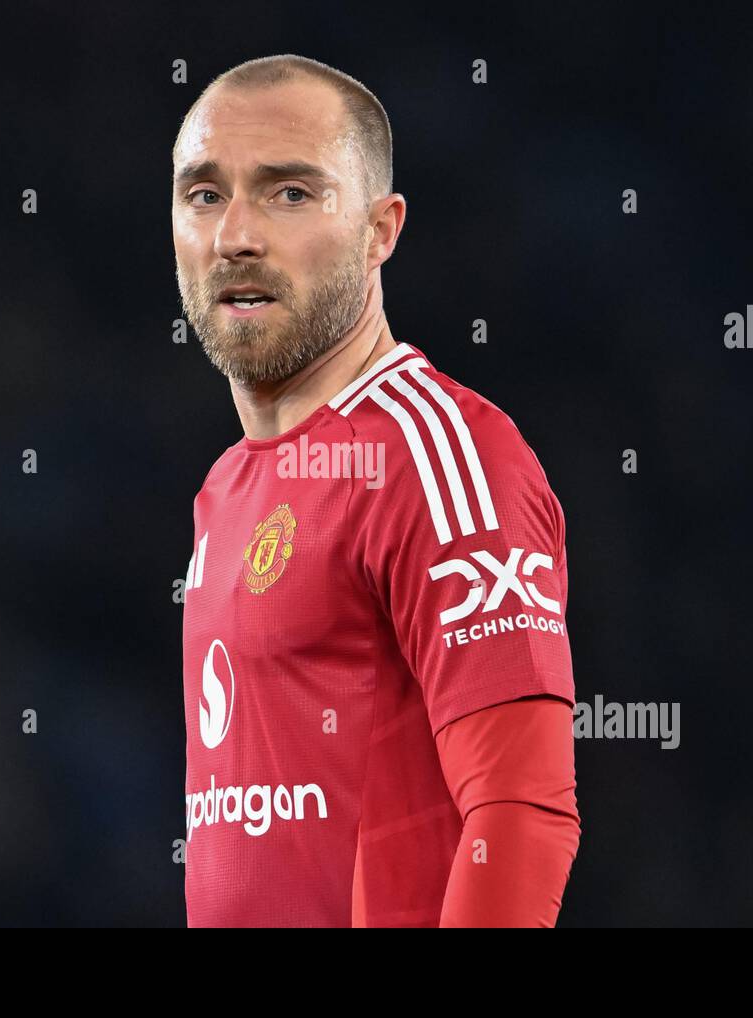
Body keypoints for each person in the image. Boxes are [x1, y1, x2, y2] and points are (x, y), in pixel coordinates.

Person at [173, 53, 580, 927]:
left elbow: (520, 812)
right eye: (205, 194)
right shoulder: (225, 486)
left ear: (380, 229)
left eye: (291, 193)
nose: (236, 234)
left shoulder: (442, 454)